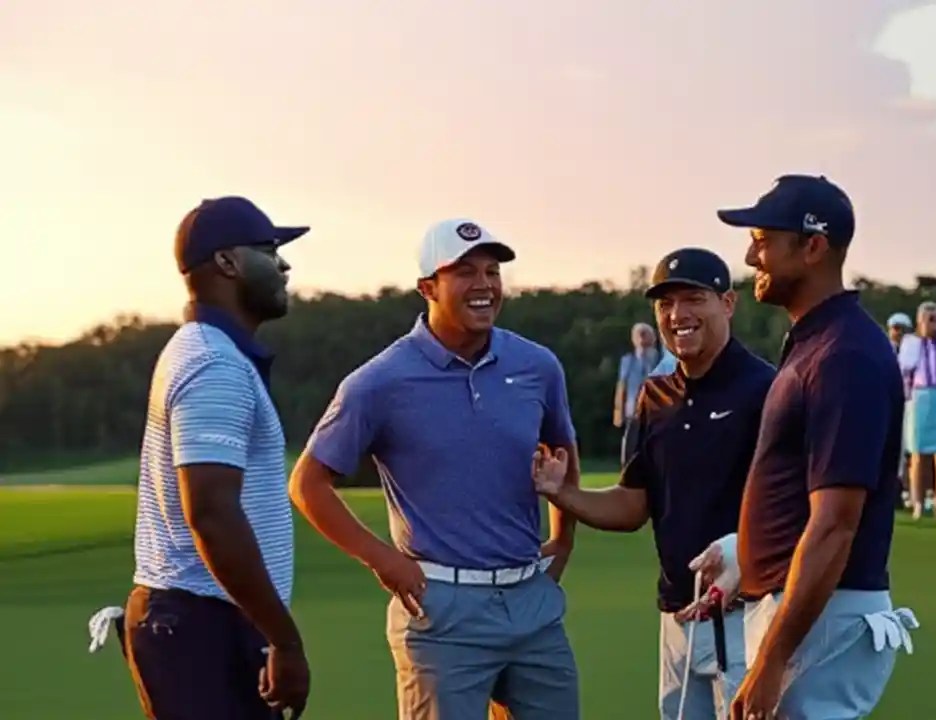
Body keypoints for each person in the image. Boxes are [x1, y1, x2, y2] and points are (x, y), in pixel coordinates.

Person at [288, 218, 581, 719]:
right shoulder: (379, 381)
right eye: (464, 272)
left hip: (532, 603)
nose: (484, 284)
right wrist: (382, 559)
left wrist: (564, 539)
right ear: (428, 287)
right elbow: (307, 484)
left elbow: (562, 449)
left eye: (492, 272)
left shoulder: (536, 365)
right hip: (441, 608)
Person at [703, 174, 915, 719]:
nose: (751, 256)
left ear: (813, 247)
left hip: (822, 616)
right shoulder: (819, 341)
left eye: (764, 240)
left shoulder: (843, 355)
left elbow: (835, 523)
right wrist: (746, 555)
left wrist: (773, 659)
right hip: (808, 611)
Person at [533, 247, 776, 720]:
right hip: (677, 620)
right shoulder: (655, 396)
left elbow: (793, 509)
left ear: (728, 303)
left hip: (748, 617)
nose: (677, 315)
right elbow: (633, 504)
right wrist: (562, 493)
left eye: (693, 299)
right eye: (666, 304)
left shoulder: (765, 389)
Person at [118, 196, 311, 719]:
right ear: (227, 262)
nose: (284, 265)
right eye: (268, 251)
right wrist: (285, 641)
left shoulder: (204, 351)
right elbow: (211, 513)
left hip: (196, 619)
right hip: (200, 625)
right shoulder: (213, 364)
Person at [898, 301, 936, 519]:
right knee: (918, 454)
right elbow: (905, 369)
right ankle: (918, 503)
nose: (932, 321)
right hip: (920, 397)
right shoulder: (910, 342)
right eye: (928, 317)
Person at [614, 322, 664, 463]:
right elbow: (622, 386)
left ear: (653, 338)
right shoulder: (627, 360)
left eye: (645, 333)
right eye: (638, 334)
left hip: (656, 411)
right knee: (631, 450)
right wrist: (618, 411)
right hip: (633, 411)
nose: (641, 337)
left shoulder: (660, 359)